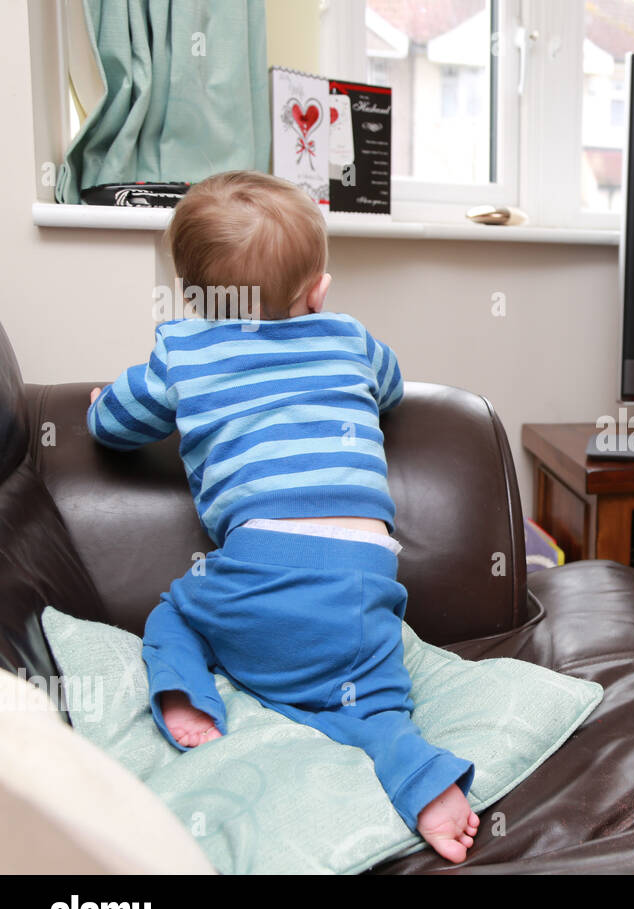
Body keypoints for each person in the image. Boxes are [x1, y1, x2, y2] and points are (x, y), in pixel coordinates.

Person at [86, 171, 479, 862]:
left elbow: (112, 425)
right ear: (318, 290)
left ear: (192, 296)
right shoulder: (349, 337)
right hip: (368, 582)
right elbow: (388, 387)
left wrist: (97, 402)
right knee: (378, 706)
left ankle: (185, 694)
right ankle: (424, 779)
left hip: (261, 569)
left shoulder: (185, 348)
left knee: (175, 613)